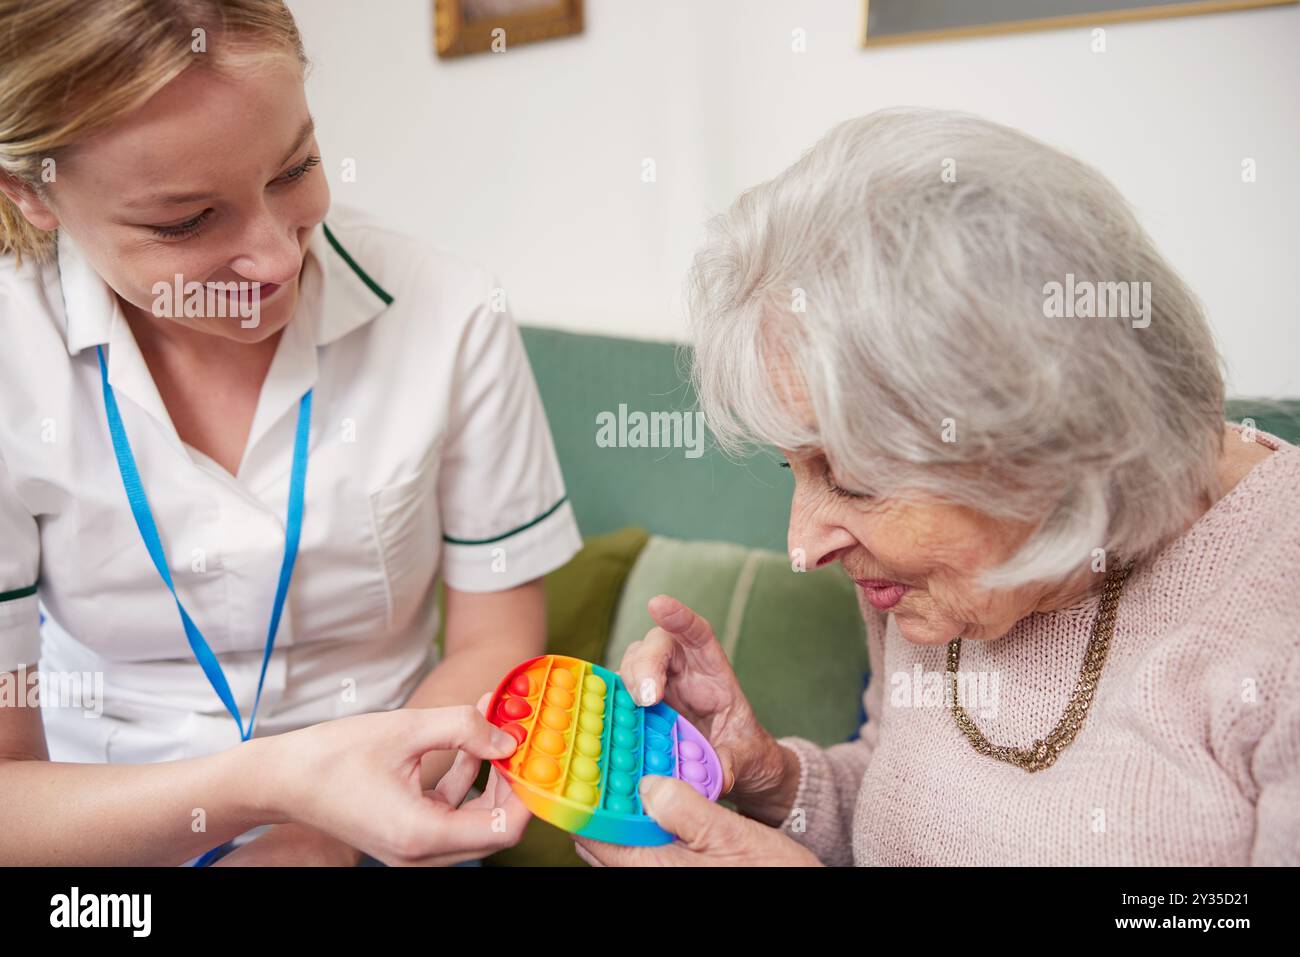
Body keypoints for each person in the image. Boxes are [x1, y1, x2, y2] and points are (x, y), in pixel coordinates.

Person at [577, 109, 1300, 867]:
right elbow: (903, 805)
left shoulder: (1273, 616)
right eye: (794, 467)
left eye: (852, 478)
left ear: (1045, 437)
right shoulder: (921, 579)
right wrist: (768, 777)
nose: (802, 545)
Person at [0, 0, 580, 865]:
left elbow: (495, 642)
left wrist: (326, 836)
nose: (276, 260)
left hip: (395, 830)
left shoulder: (450, 312)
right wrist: (265, 795)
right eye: (186, 221)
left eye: (295, 169)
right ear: (29, 192)